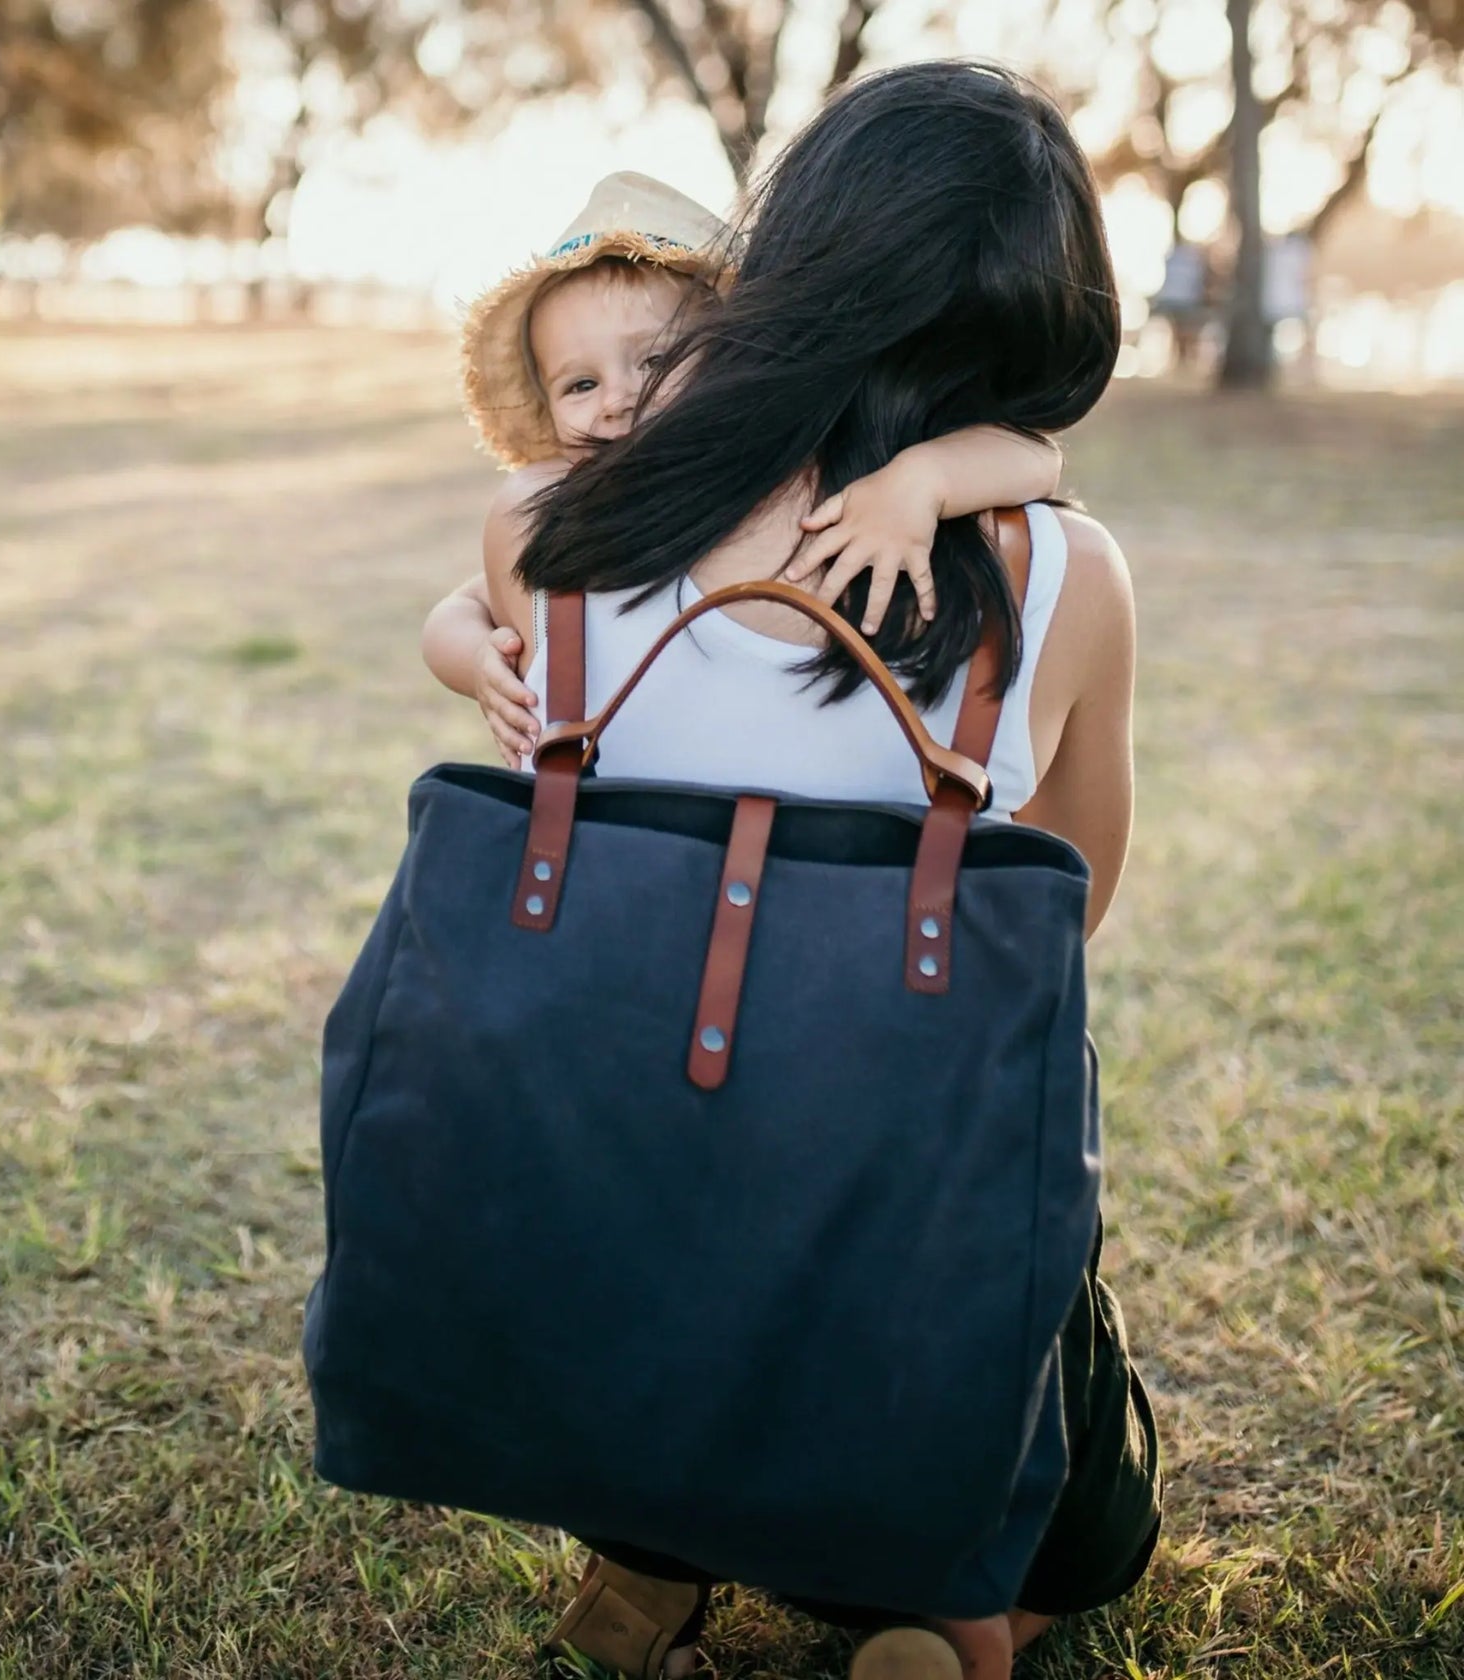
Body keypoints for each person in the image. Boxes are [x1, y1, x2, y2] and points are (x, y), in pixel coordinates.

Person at [485, 63, 1160, 1680]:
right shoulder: (1067, 577)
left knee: (692, 1204)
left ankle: (652, 1535)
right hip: (903, 1192)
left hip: (619, 1162)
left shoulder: (560, 533)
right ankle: (957, 1616)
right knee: (1093, 1512)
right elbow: (1066, 902)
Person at [423, 172, 1065, 765]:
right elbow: (458, 608)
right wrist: (478, 660)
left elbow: (1035, 455)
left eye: (655, 362)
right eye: (581, 385)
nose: (618, 400)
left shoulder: (788, 466)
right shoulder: (574, 513)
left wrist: (921, 481)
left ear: (731, 355)